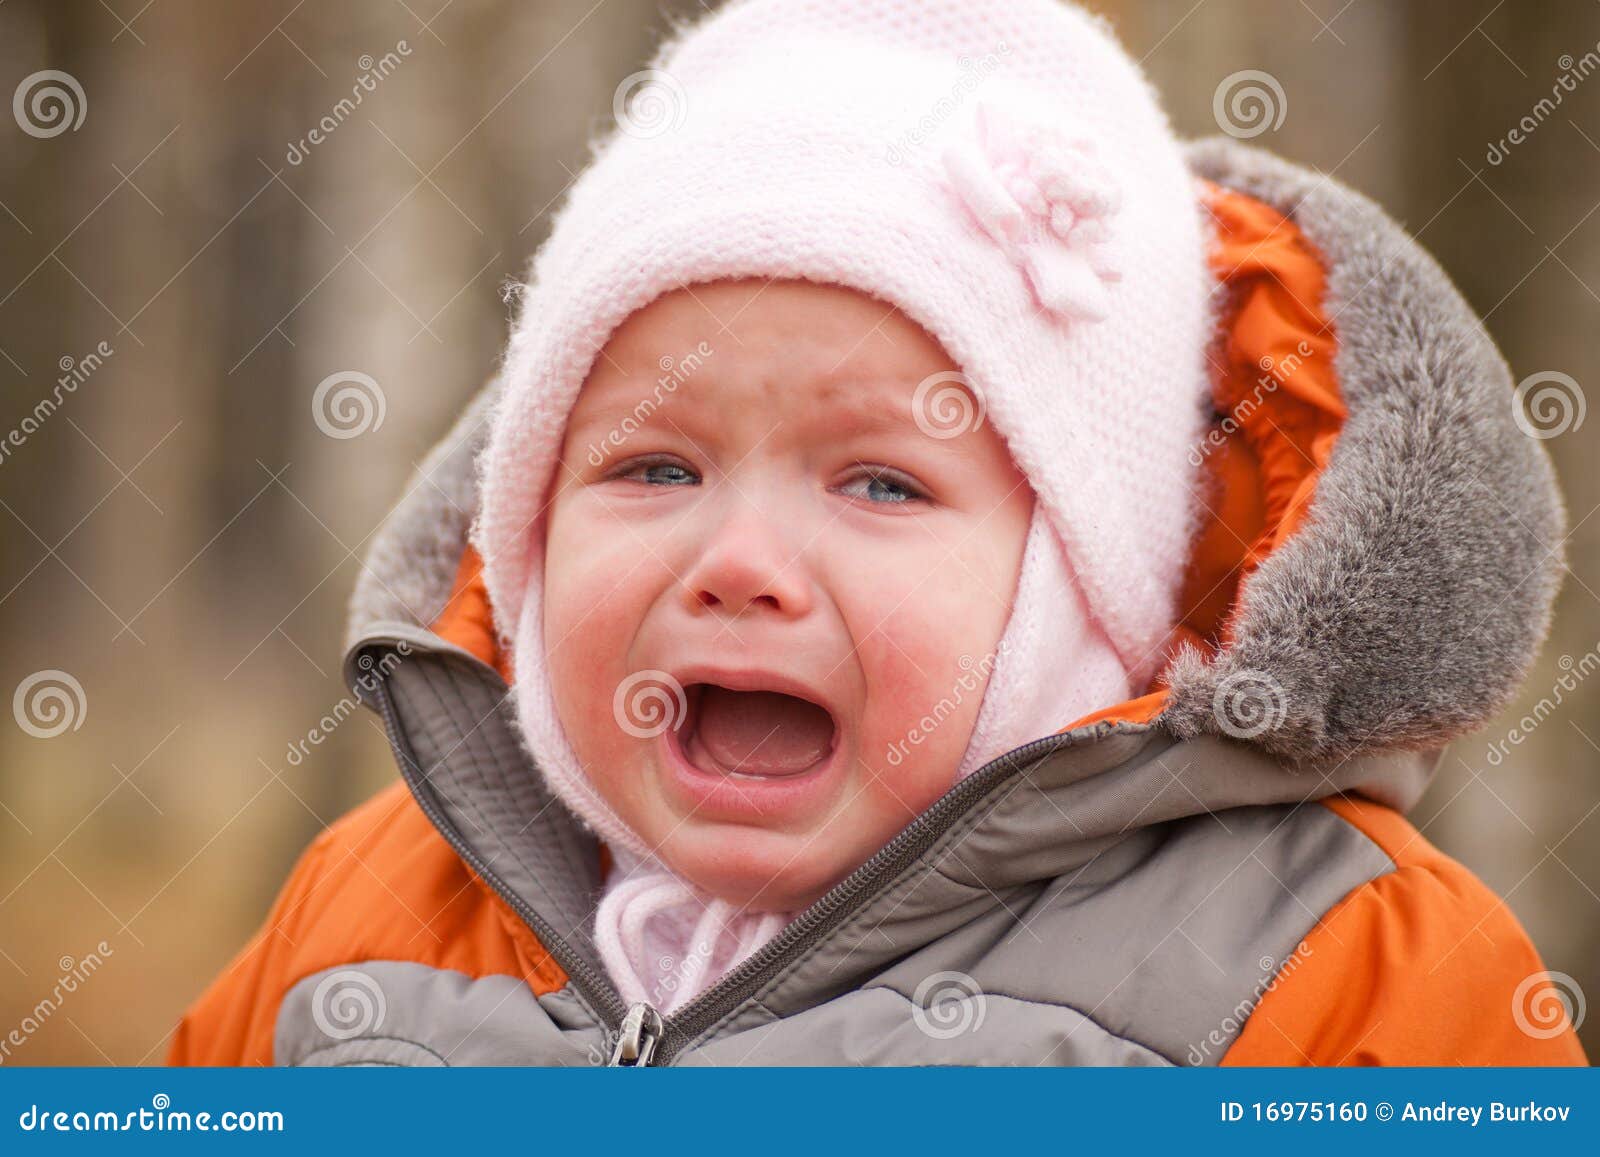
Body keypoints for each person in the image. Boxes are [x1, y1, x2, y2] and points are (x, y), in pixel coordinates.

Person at [170, 0, 1587, 1066]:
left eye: (881, 485)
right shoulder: (362, 924)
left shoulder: (1344, 972)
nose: (738, 565)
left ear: (1079, 591)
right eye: (655, 467)